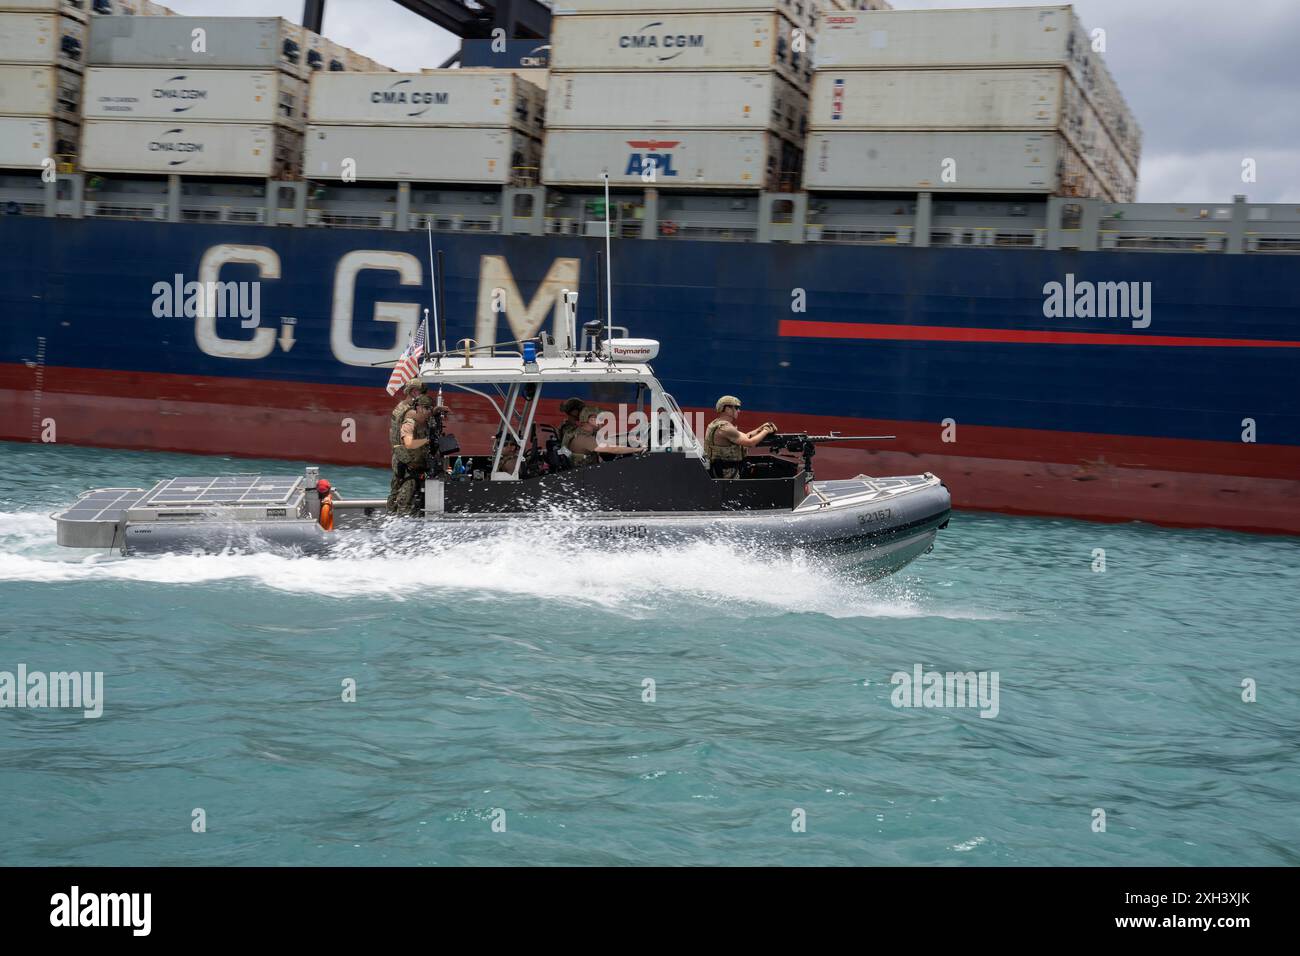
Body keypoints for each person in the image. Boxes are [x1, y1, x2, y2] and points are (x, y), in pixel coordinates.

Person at [702, 395, 777, 479]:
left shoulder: (716, 424)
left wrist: (760, 429)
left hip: (719, 469)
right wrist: (766, 431)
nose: (739, 411)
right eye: (737, 408)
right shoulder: (726, 428)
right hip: (726, 473)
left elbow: (745, 436)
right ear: (727, 409)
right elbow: (750, 443)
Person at [387, 395, 436, 514]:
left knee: (415, 498)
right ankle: (397, 522)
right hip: (407, 467)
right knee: (404, 499)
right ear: (418, 408)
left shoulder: (425, 422)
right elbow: (408, 443)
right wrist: (427, 441)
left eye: (430, 409)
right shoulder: (409, 423)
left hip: (418, 466)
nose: (429, 412)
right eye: (426, 408)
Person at [561, 406, 640, 468]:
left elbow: (608, 440)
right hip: (585, 476)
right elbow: (613, 449)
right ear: (591, 420)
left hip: (587, 472)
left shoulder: (586, 434)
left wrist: (629, 439)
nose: (602, 422)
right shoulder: (583, 438)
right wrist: (637, 449)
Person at [389, 379, 429, 449]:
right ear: (414, 392)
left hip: (399, 454)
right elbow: (422, 418)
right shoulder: (410, 411)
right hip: (408, 456)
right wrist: (427, 440)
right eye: (422, 393)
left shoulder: (401, 406)